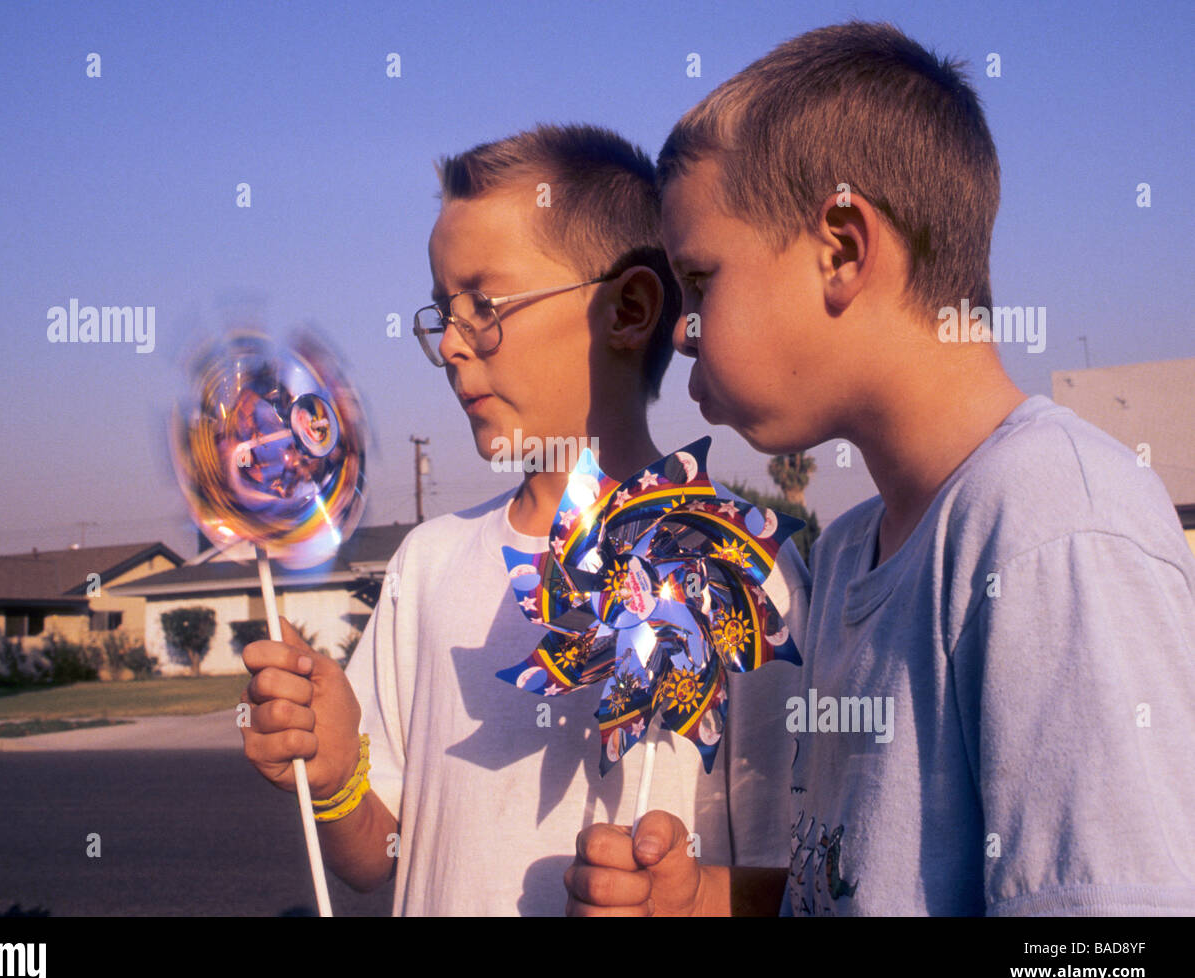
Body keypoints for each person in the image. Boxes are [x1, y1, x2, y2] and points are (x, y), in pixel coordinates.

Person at [564, 21, 1195, 916]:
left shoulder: (1049, 524)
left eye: (701, 281)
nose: (681, 327)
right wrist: (703, 900)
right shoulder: (854, 546)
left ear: (844, 249)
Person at [239, 123, 809, 915]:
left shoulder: (736, 562)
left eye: (485, 303)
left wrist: (690, 898)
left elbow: (802, 884)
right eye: (443, 314)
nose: (455, 348)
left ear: (631, 308)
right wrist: (336, 781)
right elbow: (376, 857)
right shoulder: (427, 563)